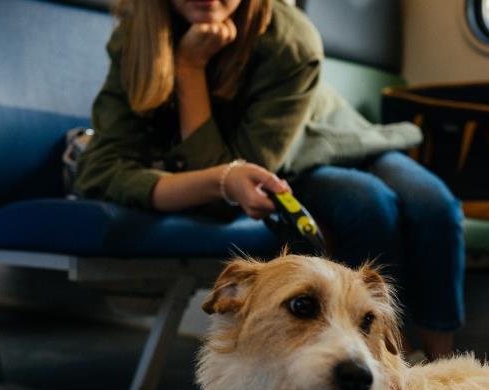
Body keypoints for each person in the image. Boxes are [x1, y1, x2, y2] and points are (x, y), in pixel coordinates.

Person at [75, 0, 464, 359]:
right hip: (288, 167)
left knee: (437, 204)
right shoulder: (138, 36)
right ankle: (390, 359)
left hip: (341, 139)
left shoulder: (289, 37)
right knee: (368, 204)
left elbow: (233, 168)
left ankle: (441, 361)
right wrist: (189, 68)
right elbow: (227, 177)